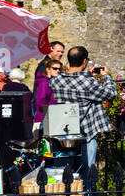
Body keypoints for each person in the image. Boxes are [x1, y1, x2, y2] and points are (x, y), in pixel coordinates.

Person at [49, 46, 117, 184]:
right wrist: (105, 76)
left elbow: (73, 84)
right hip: (86, 132)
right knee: (86, 173)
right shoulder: (88, 83)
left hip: (64, 133)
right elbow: (111, 94)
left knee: (65, 173)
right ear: (85, 61)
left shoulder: (55, 82)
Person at [33, 57, 60, 128]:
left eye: (59, 69)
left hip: (51, 119)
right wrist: (53, 111)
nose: (58, 71)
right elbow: (41, 101)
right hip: (43, 120)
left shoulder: (53, 82)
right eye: (55, 68)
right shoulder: (44, 83)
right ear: (48, 69)